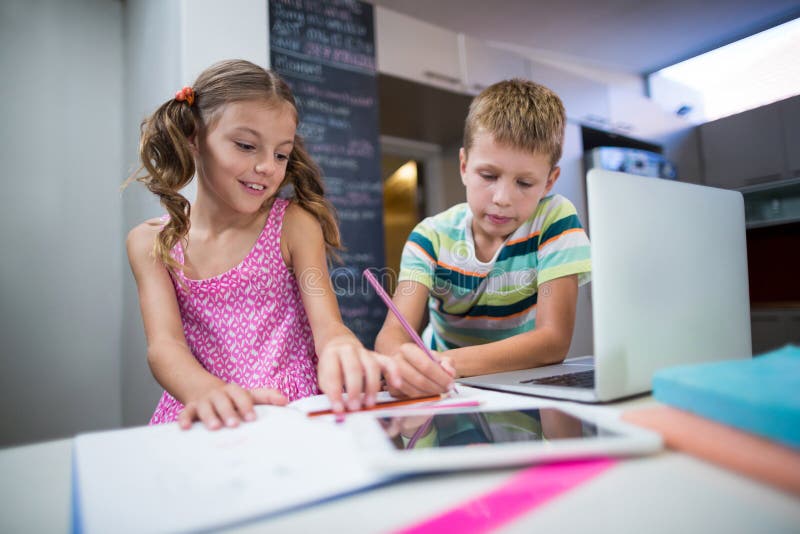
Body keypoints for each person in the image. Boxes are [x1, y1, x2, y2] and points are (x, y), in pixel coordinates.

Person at [126, 59, 400, 430]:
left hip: (295, 410)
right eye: (246, 145)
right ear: (194, 137)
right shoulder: (151, 242)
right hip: (211, 413)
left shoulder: (294, 224)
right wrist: (207, 391)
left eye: (281, 154)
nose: (268, 167)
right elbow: (164, 347)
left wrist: (340, 347)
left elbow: (328, 326)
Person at [375, 79, 591, 397]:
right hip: (444, 390)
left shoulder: (554, 220)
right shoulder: (430, 237)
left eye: (525, 183)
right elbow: (393, 334)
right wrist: (402, 364)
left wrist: (443, 362)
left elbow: (552, 341)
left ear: (549, 181)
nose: (503, 198)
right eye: (488, 176)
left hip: (514, 387)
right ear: (464, 166)